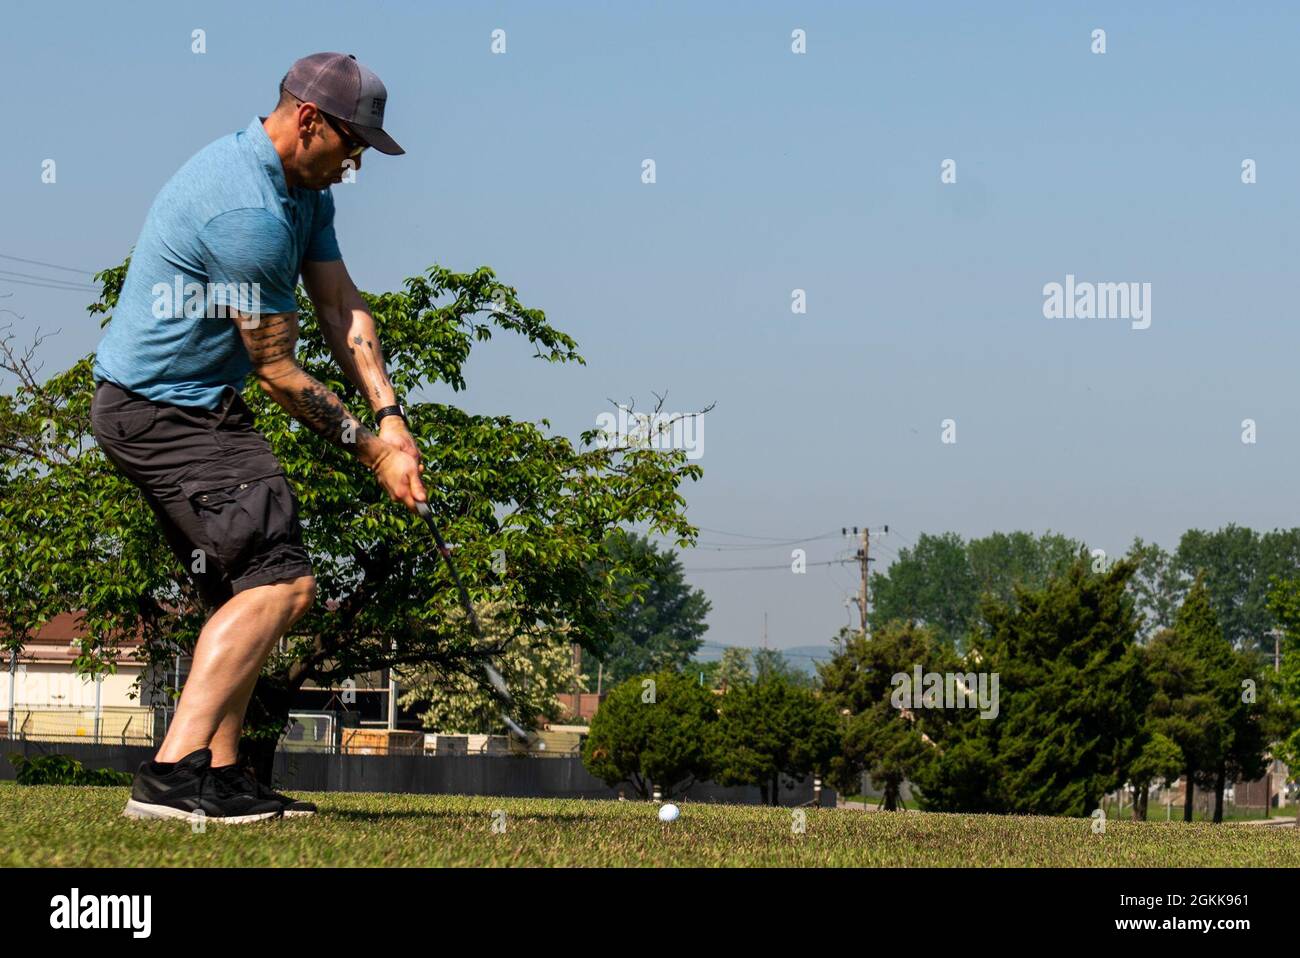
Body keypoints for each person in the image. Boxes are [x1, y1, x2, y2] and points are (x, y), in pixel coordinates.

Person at [90, 52, 424, 822]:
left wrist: (392, 418)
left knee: (244, 591)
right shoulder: (246, 215)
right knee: (284, 581)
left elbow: (341, 304)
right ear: (309, 121)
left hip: (195, 404)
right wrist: (372, 453)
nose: (358, 162)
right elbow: (275, 369)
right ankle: (172, 775)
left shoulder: (304, 190)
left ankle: (221, 771)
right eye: (353, 144)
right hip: (160, 410)